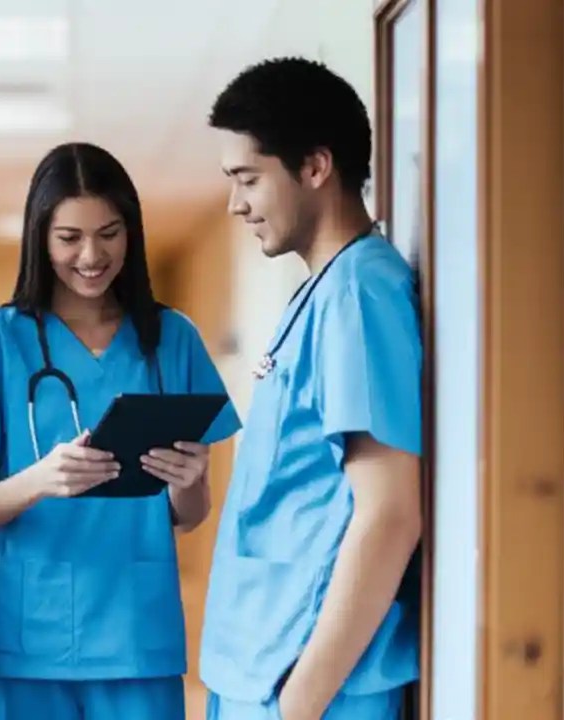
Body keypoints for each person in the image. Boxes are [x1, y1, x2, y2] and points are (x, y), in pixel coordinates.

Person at [0, 142, 242, 720]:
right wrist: (40, 480)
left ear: (132, 232)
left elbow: (190, 514)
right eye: (69, 237)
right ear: (40, 237)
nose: (92, 255)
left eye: (110, 233)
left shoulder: (172, 340)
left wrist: (188, 481)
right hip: (27, 642)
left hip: (136, 636)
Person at [198, 58, 424, 720]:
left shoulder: (359, 294)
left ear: (316, 166)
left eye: (248, 179)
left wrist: (298, 704)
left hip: (310, 686)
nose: (236, 203)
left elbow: (389, 514)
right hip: (261, 665)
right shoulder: (321, 293)